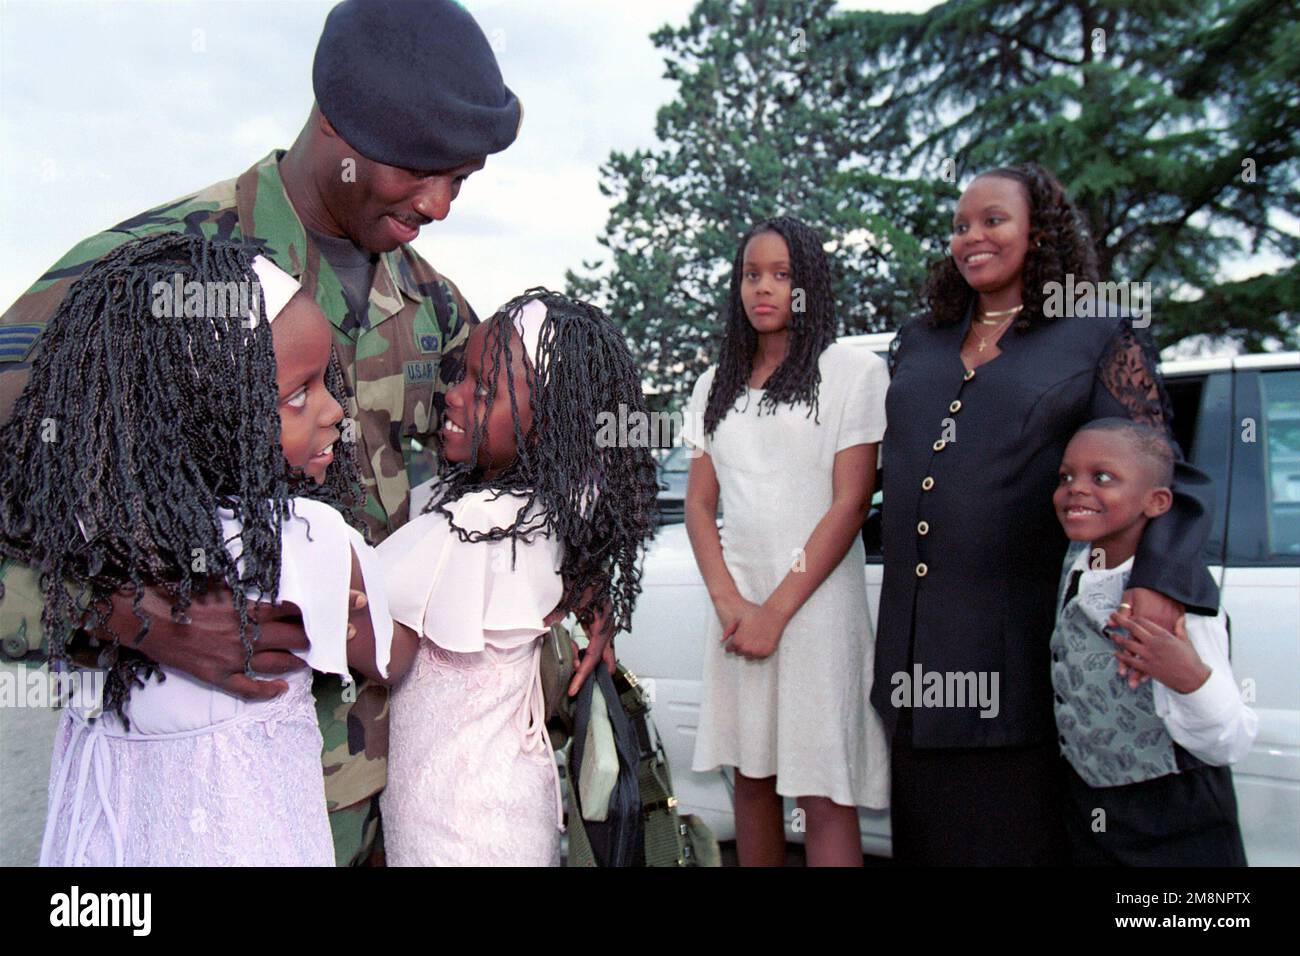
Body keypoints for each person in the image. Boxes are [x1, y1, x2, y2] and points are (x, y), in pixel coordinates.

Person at [0, 0, 533, 865]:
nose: (439, 205)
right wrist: (127, 615)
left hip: (388, 797)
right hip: (192, 809)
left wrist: (579, 574)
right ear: (336, 121)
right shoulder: (152, 279)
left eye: (462, 179)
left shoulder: (432, 304)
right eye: (421, 171)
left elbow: (520, 464)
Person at [0, 234, 418, 865]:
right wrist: (362, 613)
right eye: (299, 395)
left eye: (324, 379)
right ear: (208, 417)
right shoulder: (306, 540)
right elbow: (395, 659)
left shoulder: (83, 530)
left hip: (100, 832)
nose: (336, 409)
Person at [873, 161, 1221, 865]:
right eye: (961, 225)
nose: (972, 236)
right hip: (912, 662)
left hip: (1020, 665)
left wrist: (1159, 584)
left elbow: (1159, 469)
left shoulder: (1093, 331)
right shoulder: (920, 338)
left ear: (1040, 233)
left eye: (993, 220)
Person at [377, 289, 660, 866]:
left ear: (550, 425)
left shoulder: (471, 527)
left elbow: (378, 648)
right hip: (512, 814)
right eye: (460, 376)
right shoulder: (559, 516)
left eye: (482, 389)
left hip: (450, 827)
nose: (450, 396)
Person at [683, 217, 889, 867]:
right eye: (751, 274)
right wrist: (730, 602)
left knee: (824, 790)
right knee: (751, 778)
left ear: (811, 286)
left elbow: (850, 503)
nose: (762, 288)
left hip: (816, 608)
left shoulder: (854, 373)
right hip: (739, 610)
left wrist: (776, 611)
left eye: (781, 275)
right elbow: (698, 502)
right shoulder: (714, 384)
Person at [1051, 417, 1256, 866]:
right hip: (1094, 809)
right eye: (1066, 477)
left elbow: (1231, 741)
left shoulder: (1176, 601)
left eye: (1102, 477)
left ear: (1158, 501)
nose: (1076, 489)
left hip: (1175, 818)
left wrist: (1187, 677)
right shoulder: (1077, 560)